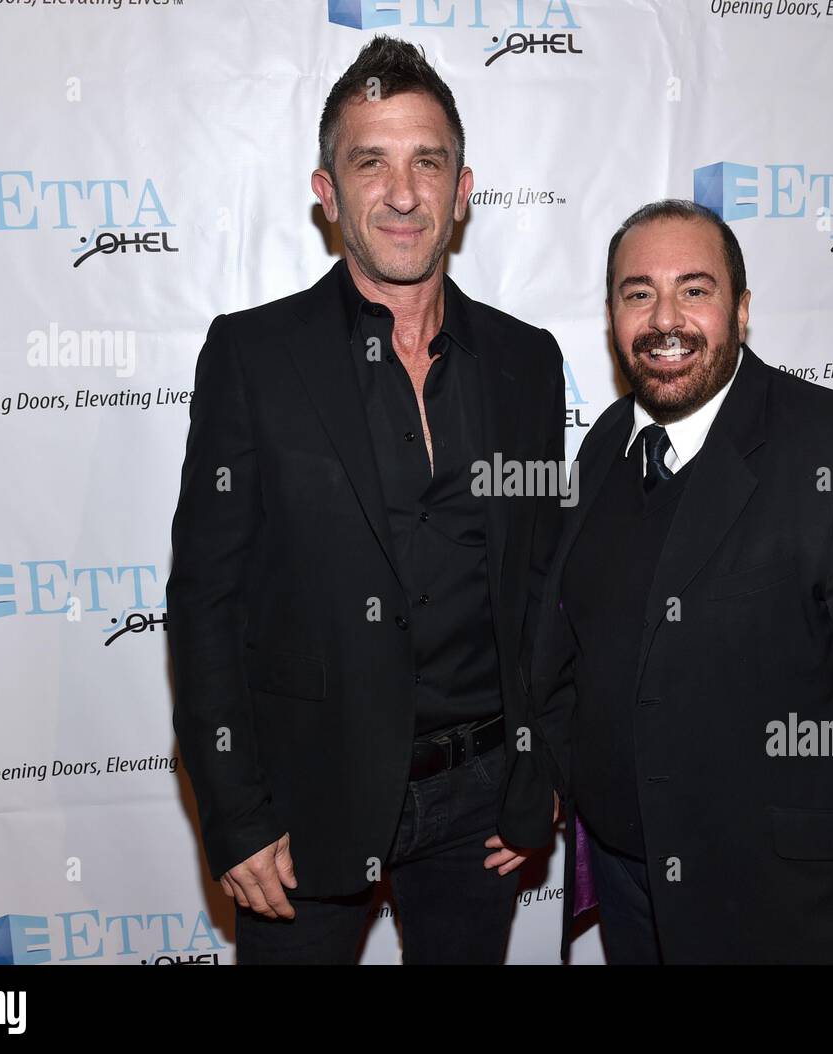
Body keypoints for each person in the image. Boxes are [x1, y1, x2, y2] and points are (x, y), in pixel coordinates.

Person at [165, 35, 564, 964]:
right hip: (305, 804)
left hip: (480, 801)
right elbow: (206, 602)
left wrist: (541, 767)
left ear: (463, 191)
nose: (401, 191)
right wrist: (233, 812)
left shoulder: (526, 362)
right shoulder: (253, 358)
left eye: (428, 162)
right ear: (326, 189)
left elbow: (547, 584)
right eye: (370, 161)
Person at [526, 199, 833, 964]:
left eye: (694, 290)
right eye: (639, 293)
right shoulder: (605, 445)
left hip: (783, 896)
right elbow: (580, 638)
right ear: (612, 316)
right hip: (629, 884)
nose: (665, 318)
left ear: (741, 309)